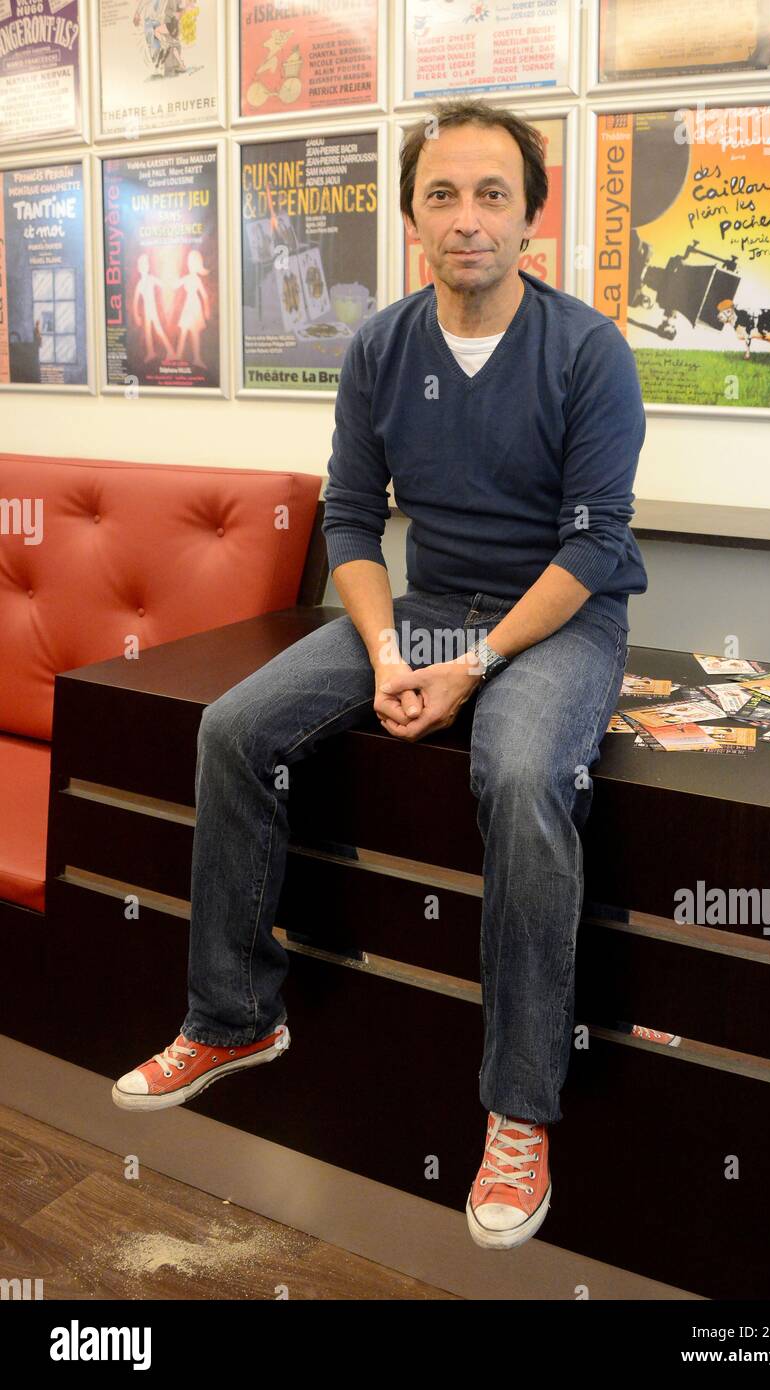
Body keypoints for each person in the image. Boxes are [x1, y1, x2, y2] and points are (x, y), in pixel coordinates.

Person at [112, 98, 648, 1253]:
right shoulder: (379, 345)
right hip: (423, 605)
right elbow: (353, 521)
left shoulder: (587, 351)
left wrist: (471, 671)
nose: (467, 219)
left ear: (529, 217)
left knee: (515, 776)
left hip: (558, 620)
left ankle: (515, 1110)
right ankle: (234, 1014)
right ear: (411, 216)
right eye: (442, 196)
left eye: (491, 195)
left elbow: (593, 547)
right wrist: (395, 650)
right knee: (231, 728)